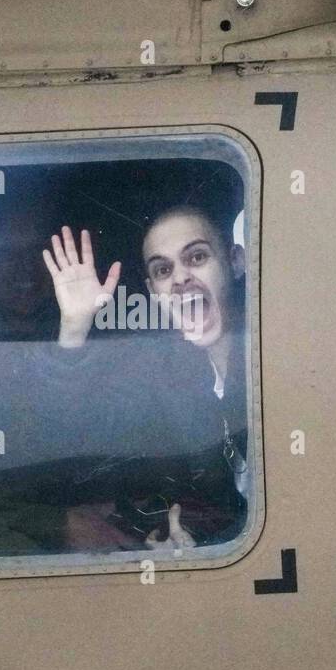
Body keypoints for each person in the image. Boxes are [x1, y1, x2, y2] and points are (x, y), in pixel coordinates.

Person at [40, 205, 249, 551]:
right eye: (164, 269)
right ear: (154, 291)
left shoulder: (275, 351)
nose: (180, 278)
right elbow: (70, 438)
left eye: (196, 257)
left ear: (235, 262)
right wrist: (74, 328)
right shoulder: (168, 376)